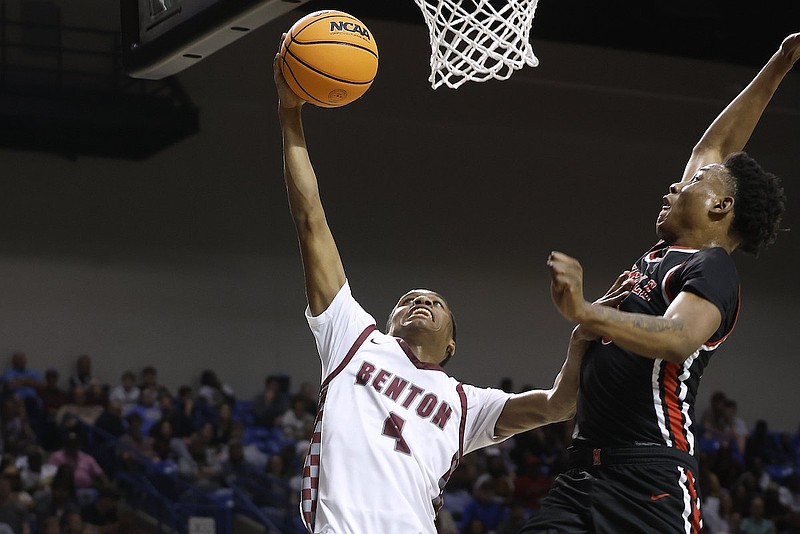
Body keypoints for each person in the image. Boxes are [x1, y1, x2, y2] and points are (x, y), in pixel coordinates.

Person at [273, 43, 626, 534]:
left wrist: (584, 333)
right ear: (390, 319)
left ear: (452, 343)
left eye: (435, 303)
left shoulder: (466, 403)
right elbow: (310, 218)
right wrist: (290, 112)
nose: (420, 302)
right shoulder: (352, 338)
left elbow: (558, 405)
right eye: (407, 300)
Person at [520, 33, 798, 534]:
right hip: (584, 472)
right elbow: (713, 147)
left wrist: (587, 312)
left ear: (719, 208)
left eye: (692, 183)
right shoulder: (663, 255)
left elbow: (678, 339)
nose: (676, 183)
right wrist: (781, 62)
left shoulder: (711, 267)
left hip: (649, 481)